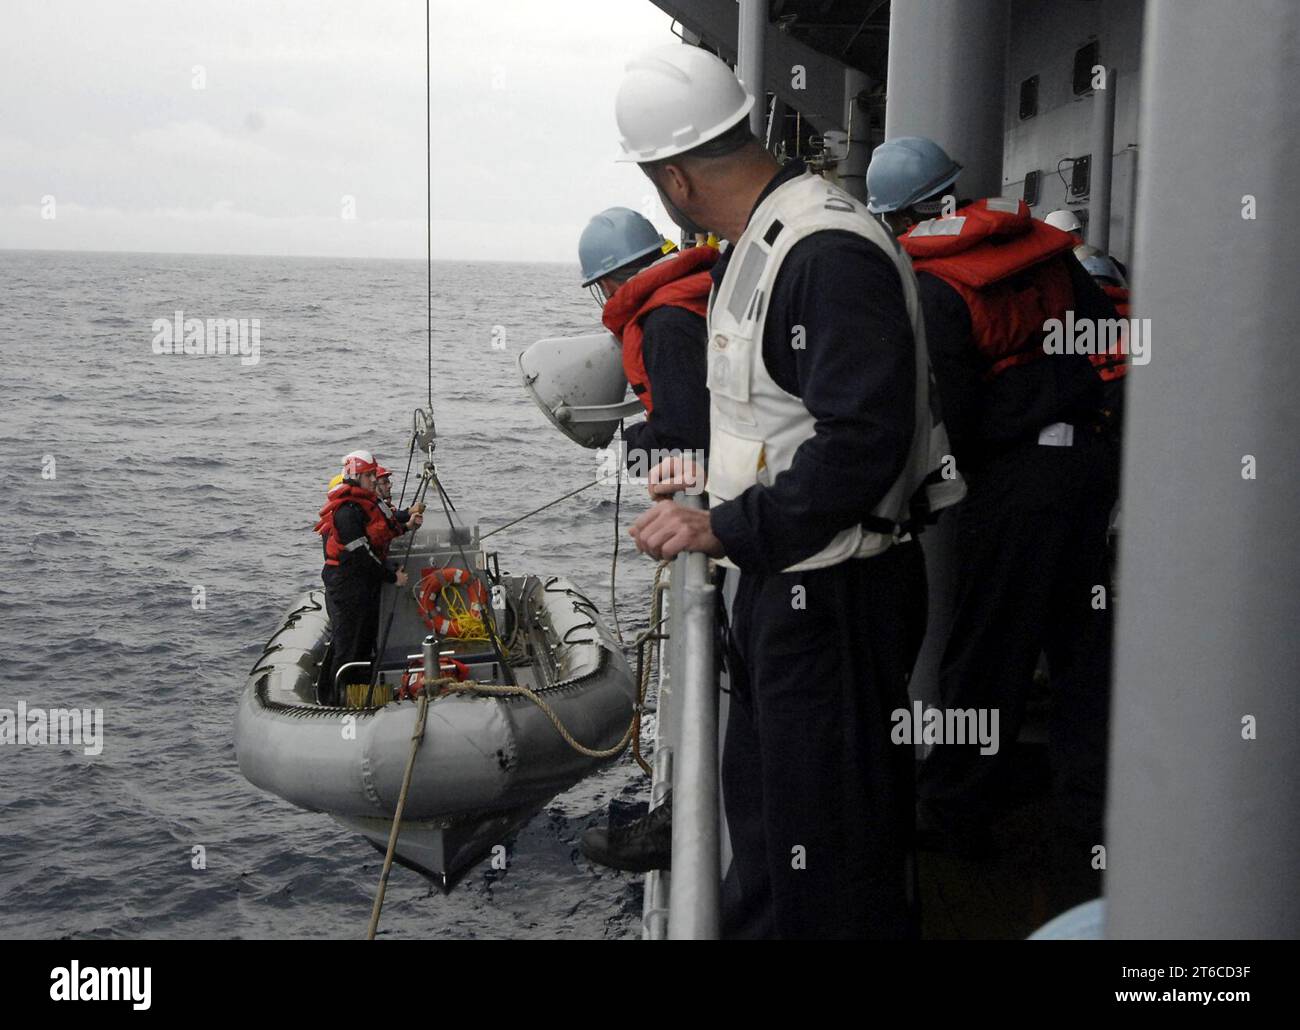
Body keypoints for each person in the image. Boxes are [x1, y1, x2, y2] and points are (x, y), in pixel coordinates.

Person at [616, 45, 961, 939]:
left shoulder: (823, 252)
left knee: (830, 853)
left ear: (676, 180)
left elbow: (861, 444)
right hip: (788, 587)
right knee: (775, 833)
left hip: (834, 599)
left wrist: (722, 526)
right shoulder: (764, 244)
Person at [867, 136, 1122, 906]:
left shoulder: (936, 287)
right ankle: (1091, 815)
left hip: (1016, 490)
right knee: (1084, 654)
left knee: (986, 652)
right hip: (1088, 473)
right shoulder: (1051, 254)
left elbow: (960, 414)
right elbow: (1100, 337)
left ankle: (956, 812)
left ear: (904, 215)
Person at [576, 208, 715, 874]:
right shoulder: (685, 300)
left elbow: (689, 435)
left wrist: (628, 449)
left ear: (613, 281)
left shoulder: (663, 325)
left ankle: (689, 822)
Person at [579, 207, 714, 465]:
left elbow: (686, 436)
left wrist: (634, 446)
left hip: (715, 482)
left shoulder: (665, 323)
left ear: (606, 283)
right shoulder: (696, 291)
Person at [314, 449, 409, 704]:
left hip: (360, 585)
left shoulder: (362, 506)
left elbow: (386, 525)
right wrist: (391, 577)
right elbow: (361, 557)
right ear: (355, 476)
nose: (373, 481)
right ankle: (336, 701)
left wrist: (408, 518)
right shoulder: (347, 512)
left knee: (362, 640)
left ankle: (358, 694)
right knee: (348, 645)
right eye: (368, 476)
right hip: (347, 585)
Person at [373, 465, 425, 557]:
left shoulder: (384, 505)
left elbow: (393, 518)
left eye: (389, 482)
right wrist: (410, 512)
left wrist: (409, 522)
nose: (389, 486)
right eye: (385, 483)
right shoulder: (372, 506)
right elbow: (391, 519)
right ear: (373, 485)